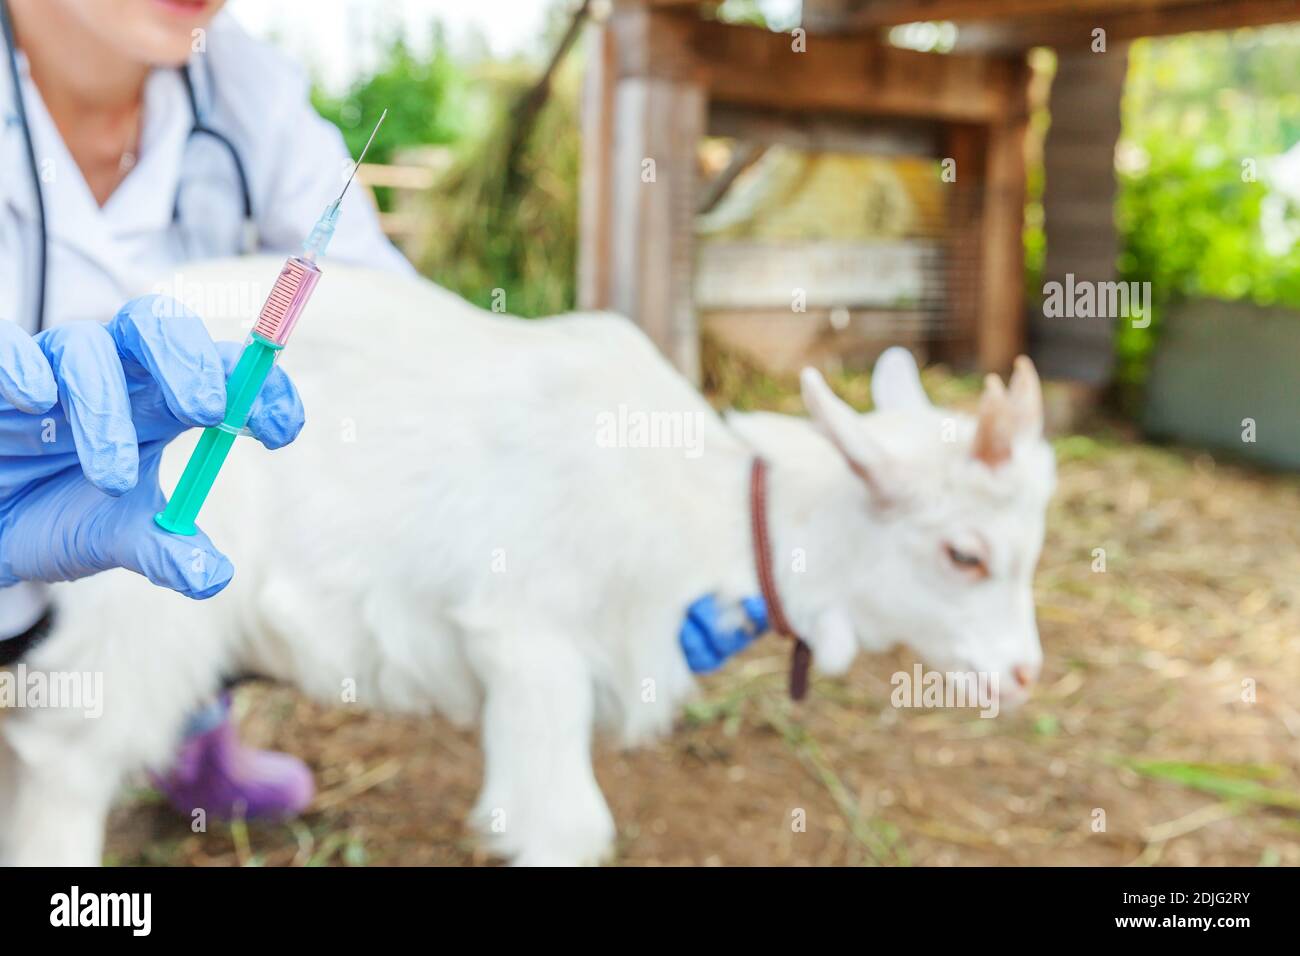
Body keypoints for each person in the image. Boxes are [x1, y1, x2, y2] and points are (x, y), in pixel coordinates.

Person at [0, 0, 413, 820]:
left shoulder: (244, 86)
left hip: (153, 545)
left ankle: (190, 719)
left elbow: (402, 333)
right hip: (21, 569)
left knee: (227, 505)